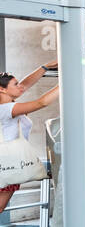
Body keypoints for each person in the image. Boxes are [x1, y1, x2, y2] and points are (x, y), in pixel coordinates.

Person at [0, 62, 59, 213]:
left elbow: (26, 85)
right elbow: (42, 102)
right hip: (7, 163)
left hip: (12, 162)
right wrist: (69, 79)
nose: (21, 86)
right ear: (2, 89)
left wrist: (44, 67)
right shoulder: (7, 109)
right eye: (16, 84)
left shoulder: (9, 104)